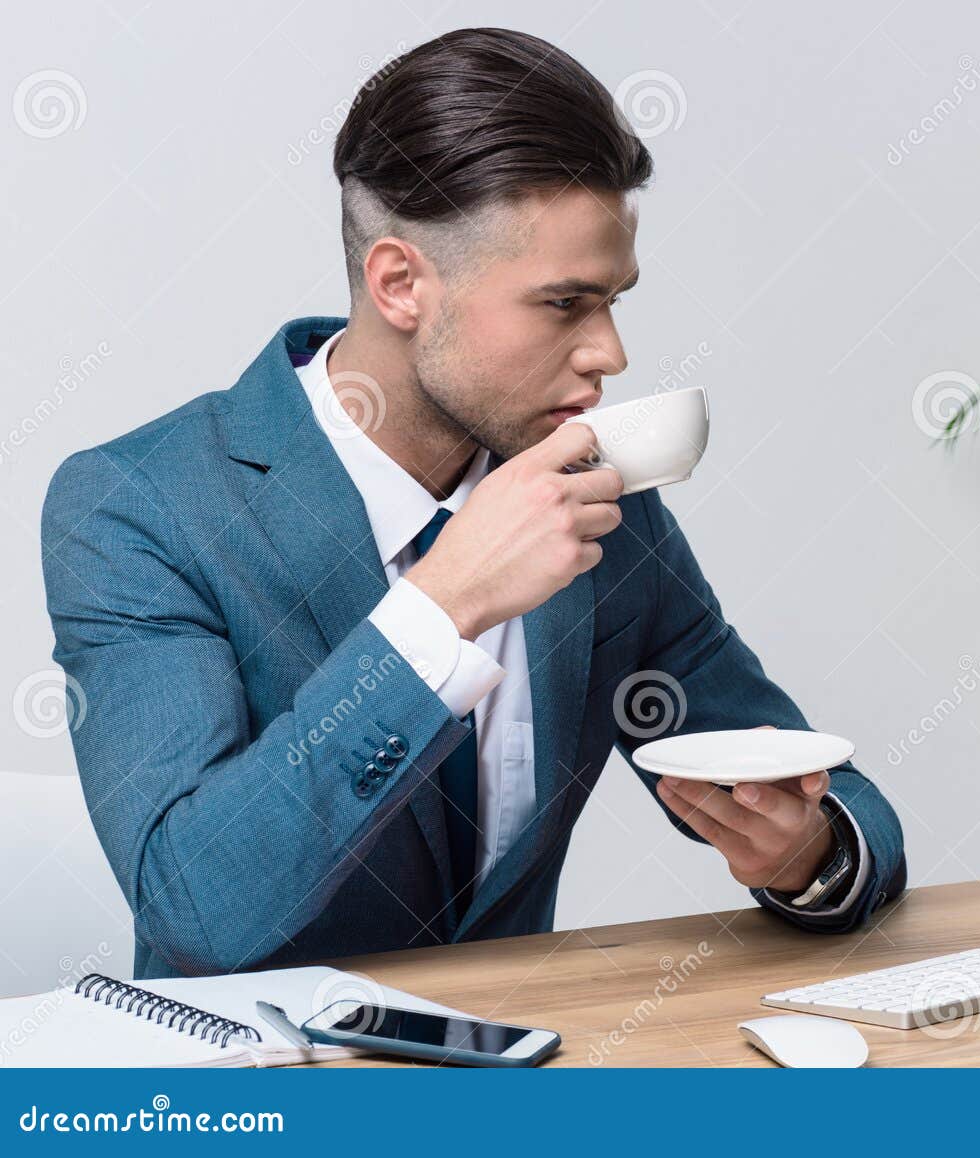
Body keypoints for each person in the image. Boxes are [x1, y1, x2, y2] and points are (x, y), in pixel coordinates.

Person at [41, 27, 905, 979]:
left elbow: (819, 784)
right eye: (565, 304)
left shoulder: (590, 494)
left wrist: (809, 855)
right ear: (403, 283)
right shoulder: (140, 508)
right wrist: (438, 611)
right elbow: (196, 906)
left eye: (616, 299)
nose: (610, 353)